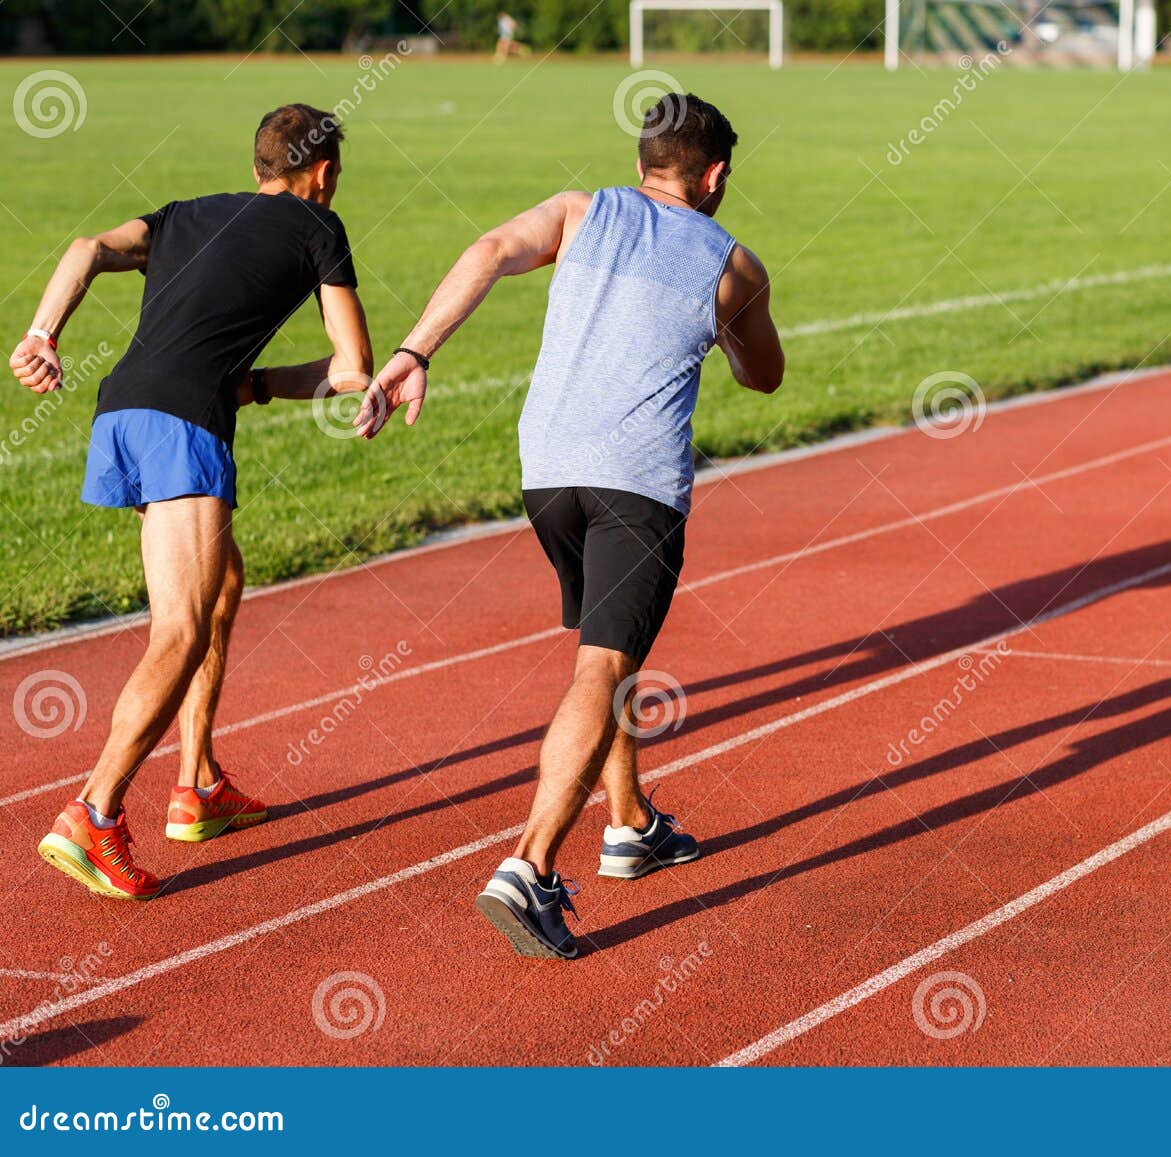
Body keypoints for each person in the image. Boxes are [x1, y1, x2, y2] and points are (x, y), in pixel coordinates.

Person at [360, 92, 785, 958]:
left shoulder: (578, 210)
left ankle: (630, 823)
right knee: (605, 663)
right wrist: (729, 328)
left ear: (642, 166)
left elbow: (486, 250)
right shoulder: (735, 263)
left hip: (546, 472)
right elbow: (763, 376)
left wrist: (412, 354)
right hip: (636, 484)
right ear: (716, 177)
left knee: (605, 651)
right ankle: (530, 866)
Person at [11, 104, 375, 900]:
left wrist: (42, 335)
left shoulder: (184, 214)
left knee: (223, 584)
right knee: (179, 630)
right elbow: (352, 368)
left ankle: (197, 784)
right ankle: (94, 810)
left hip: (122, 412)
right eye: (333, 172)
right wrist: (265, 387)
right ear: (321, 173)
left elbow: (86, 249)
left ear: (258, 170)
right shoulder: (322, 226)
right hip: (184, 422)